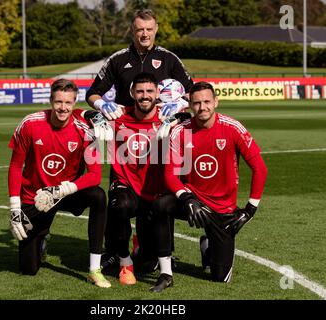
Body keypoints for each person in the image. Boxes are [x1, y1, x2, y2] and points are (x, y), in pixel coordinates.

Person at [86, 8, 194, 269]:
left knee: (159, 196)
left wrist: (179, 103)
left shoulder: (169, 59)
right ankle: (114, 252)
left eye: (149, 29)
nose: (144, 34)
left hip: (160, 139)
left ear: (156, 29)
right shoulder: (118, 59)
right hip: (124, 140)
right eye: (139, 30)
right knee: (119, 202)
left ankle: (158, 251)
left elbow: (193, 92)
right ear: (132, 31)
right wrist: (103, 105)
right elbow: (93, 93)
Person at [151, 81, 268, 291]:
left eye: (207, 101)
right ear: (190, 105)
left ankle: (208, 246)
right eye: (196, 103)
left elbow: (260, 168)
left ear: (216, 102)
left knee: (220, 277)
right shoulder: (180, 131)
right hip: (193, 202)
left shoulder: (233, 128)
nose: (202, 107)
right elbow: (169, 175)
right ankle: (166, 271)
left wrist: (250, 209)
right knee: (161, 205)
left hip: (222, 209)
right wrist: (186, 198)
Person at [7, 78, 111, 288]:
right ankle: (42, 239)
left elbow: (94, 176)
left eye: (68, 103)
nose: (63, 108)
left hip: (66, 193)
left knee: (98, 195)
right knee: (28, 269)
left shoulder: (86, 129)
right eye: (58, 102)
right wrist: (14, 207)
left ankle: (94, 268)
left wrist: (63, 189)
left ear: (74, 103)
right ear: (50, 101)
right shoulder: (30, 124)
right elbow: (16, 167)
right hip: (36, 198)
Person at [104, 72, 172, 289]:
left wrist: (180, 111)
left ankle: (140, 247)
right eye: (140, 91)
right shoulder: (118, 115)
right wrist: (93, 113)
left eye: (150, 91)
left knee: (147, 262)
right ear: (132, 93)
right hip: (125, 184)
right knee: (119, 206)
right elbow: (78, 112)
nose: (145, 96)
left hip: (153, 189)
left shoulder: (167, 117)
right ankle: (125, 262)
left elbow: (198, 115)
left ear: (157, 94)